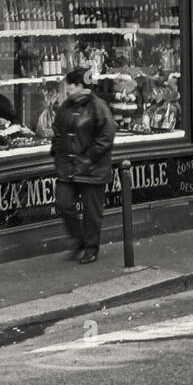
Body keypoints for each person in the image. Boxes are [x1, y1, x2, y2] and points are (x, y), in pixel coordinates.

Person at [51, 67, 118, 264]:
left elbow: (106, 137)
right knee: (63, 203)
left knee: (92, 213)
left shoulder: (98, 106)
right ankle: (79, 240)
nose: (67, 89)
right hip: (68, 168)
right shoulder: (66, 106)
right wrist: (57, 148)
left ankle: (91, 248)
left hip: (92, 169)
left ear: (79, 86)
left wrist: (88, 158)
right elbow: (57, 129)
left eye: (70, 85)